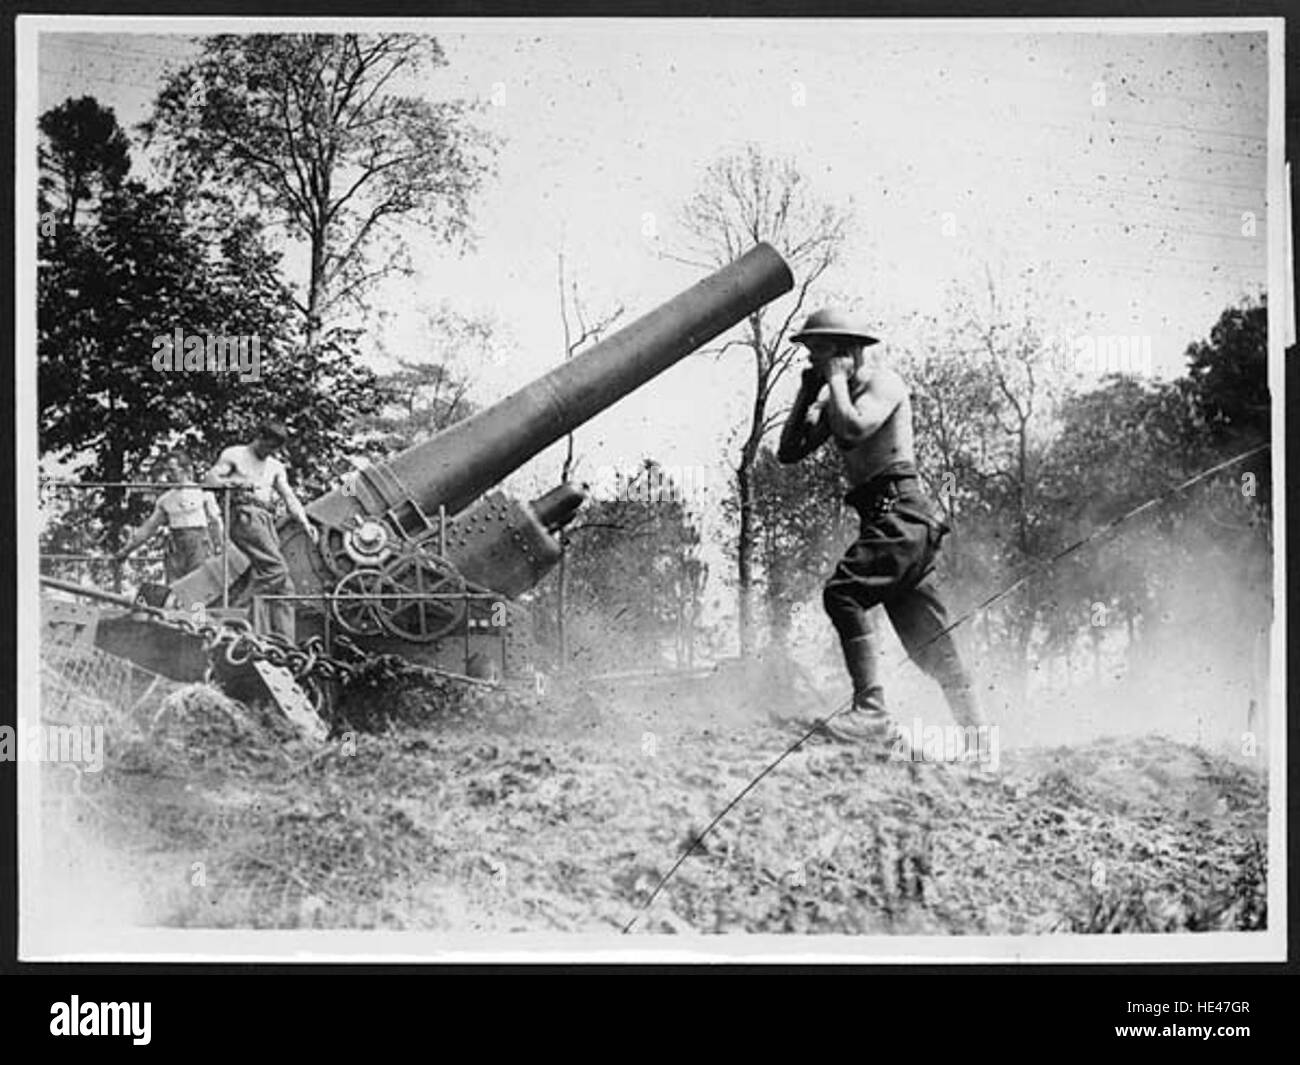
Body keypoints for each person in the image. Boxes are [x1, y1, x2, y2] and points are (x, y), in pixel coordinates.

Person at [777, 308, 984, 756]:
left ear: (849, 350)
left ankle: (871, 712)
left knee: (843, 593)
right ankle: (980, 747)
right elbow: (789, 452)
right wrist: (806, 393)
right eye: (811, 356)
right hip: (886, 520)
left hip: (902, 513)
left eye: (821, 355)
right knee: (932, 650)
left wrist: (832, 385)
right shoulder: (837, 395)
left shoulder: (882, 384)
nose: (814, 362)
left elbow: (852, 431)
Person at [203, 421, 318, 642]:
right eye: (268, 446)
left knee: (285, 587)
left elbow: (289, 497)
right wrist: (231, 484)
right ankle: (233, 612)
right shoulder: (235, 454)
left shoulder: (275, 466)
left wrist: (305, 523)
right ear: (259, 437)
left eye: (274, 449)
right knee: (276, 569)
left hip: (266, 519)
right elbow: (210, 479)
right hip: (245, 514)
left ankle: (285, 644)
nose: (269, 453)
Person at [116, 451, 224, 583]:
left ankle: (198, 605)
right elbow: (148, 528)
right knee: (175, 590)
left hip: (200, 547)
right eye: (167, 470)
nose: (169, 474)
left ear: (186, 469)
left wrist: (221, 547)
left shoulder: (202, 493)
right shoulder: (165, 500)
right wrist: (126, 550)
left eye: (172, 470)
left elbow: (216, 522)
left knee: (198, 591)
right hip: (176, 549)